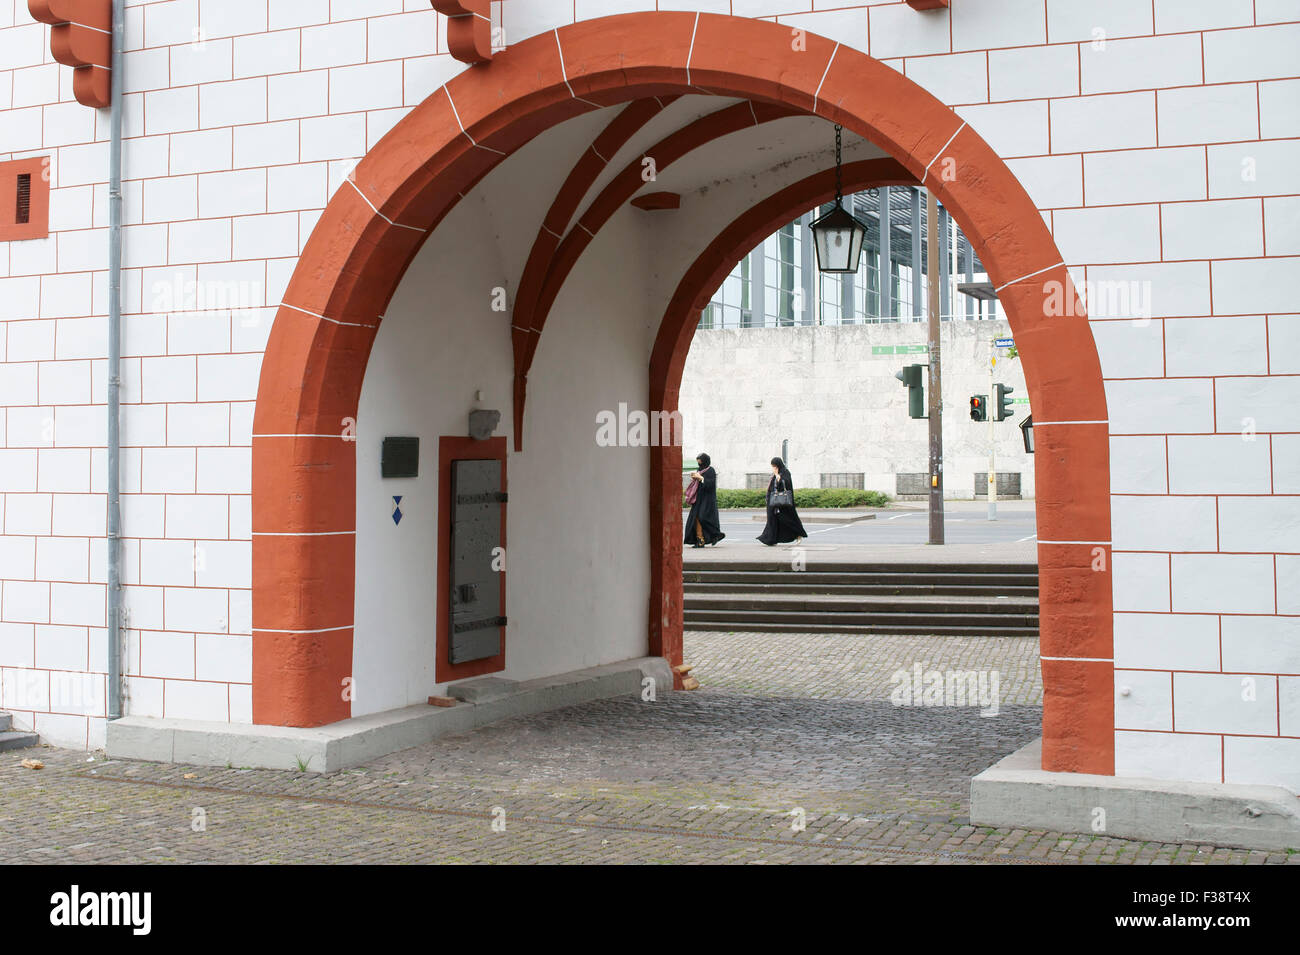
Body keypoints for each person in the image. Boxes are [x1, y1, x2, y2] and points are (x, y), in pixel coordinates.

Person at [757, 456, 807, 546]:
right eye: (773, 466)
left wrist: (777, 476)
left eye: (774, 466)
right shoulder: (776, 473)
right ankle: (770, 539)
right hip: (773, 502)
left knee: (788, 519)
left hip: (783, 502)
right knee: (772, 519)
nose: (773, 468)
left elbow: (786, 483)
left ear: (778, 465)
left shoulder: (785, 472)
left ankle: (798, 534)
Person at [684, 452, 725, 548]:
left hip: (708, 500)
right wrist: (695, 477)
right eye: (698, 462)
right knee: (696, 518)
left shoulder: (710, 470)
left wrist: (701, 478)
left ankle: (715, 534)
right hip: (698, 499)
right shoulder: (699, 470)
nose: (699, 464)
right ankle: (700, 539)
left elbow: (710, 485)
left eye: (700, 462)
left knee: (703, 518)